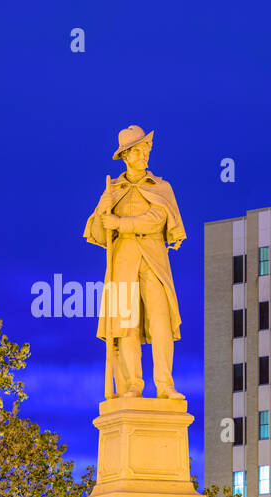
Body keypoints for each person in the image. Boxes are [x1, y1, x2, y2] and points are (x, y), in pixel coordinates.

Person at [84, 125, 187, 400]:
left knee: (161, 322)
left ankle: (165, 385)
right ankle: (132, 385)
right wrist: (101, 211)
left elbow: (158, 219)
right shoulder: (113, 190)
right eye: (137, 151)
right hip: (122, 261)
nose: (143, 155)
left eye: (145, 150)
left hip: (153, 259)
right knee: (125, 325)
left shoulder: (161, 187)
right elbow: (95, 234)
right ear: (126, 155)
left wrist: (120, 222)